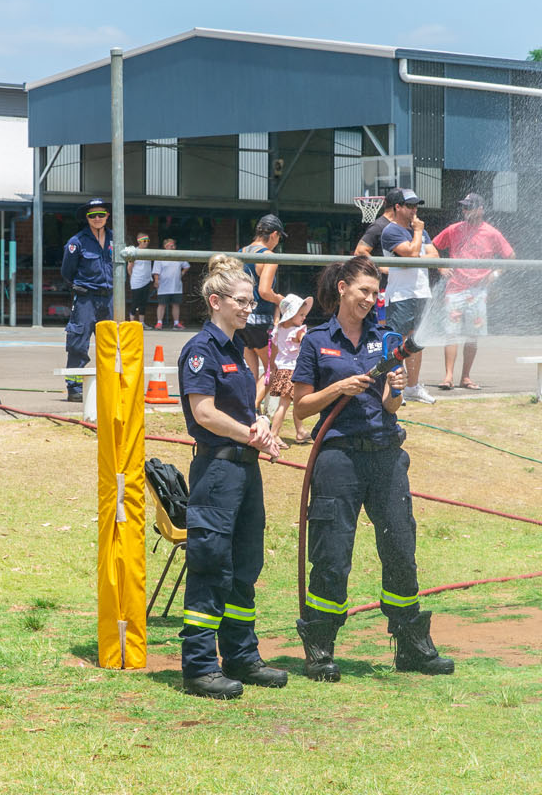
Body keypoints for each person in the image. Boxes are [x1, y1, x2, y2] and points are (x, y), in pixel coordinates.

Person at [292, 255, 454, 681]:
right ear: (343, 287)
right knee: (331, 553)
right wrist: (339, 387)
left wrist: (395, 389)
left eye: (375, 293)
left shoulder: (385, 339)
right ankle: (320, 648)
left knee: (400, 547)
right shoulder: (316, 341)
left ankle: (411, 646)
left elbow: (390, 405)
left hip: (385, 455)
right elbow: (301, 407)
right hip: (338, 459)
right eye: (364, 290)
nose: (370, 299)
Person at [176, 255, 288, 699]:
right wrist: (250, 434)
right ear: (216, 301)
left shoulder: (236, 353)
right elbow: (204, 413)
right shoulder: (201, 351)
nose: (248, 308)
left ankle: (241, 656)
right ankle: (200, 667)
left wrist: (259, 423)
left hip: (245, 469)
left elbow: (239, 410)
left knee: (245, 564)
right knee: (211, 564)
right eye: (241, 301)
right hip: (217, 471)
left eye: (250, 301)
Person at [431, 193, 514, 391]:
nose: (465, 211)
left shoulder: (491, 233)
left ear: (480, 209)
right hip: (455, 288)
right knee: (451, 333)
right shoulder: (454, 229)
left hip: (478, 290)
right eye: (464, 207)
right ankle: (448, 376)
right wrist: (440, 267)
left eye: (469, 207)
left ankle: (465, 377)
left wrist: (495, 274)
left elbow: (510, 256)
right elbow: (432, 246)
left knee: (472, 335)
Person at [378, 187, 437, 403]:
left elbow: (435, 256)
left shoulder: (420, 231)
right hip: (400, 295)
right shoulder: (391, 231)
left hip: (422, 292)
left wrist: (415, 253)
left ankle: (412, 386)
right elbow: (412, 254)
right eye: (410, 206)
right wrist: (418, 233)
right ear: (398, 207)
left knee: (416, 341)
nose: (414, 210)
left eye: (416, 206)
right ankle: (395, 388)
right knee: (397, 341)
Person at [59, 198, 114, 403]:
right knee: (78, 342)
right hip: (86, 298)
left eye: (101, 214)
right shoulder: (77, 242)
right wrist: (79, 288)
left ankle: (108, 385)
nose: (97, 218)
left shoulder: (116, 240)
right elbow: (67, 271)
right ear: (86, 218)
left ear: (107, 216)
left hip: (110, 298)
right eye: (92, 215)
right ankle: (74, 388)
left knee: (110, 344)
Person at [239, 214, 287, 397]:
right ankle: (253, 407)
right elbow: (265, 291)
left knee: (250, 371)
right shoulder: (269, 257)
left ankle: (246, 407)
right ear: (274, 234)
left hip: (242, 318)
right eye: (279, 237)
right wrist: (280, 300)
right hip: (260, 320)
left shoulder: (241, 252)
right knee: (274, 369)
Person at [264, 293, 313, 443]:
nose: (304, 317)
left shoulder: (279, 329)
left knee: (296, 401)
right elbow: (307, 344)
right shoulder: (299, 331)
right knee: (284, 405)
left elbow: (275, 348)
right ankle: (274, 434)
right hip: (293, 370)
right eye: (301, 314)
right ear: (292, 315)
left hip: (282, 369)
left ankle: (300, 431)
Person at [153, 238, 190, 329]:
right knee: (161, 304)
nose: (173, 247)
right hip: (163, 286)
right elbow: (156, 271)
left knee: (176, 304)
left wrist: (182, 273)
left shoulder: (178, 256)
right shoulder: (160, 257)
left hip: (176, 286)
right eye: (171, 246)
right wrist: (156, 281)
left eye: (174, 245)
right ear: (165, 246)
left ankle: (176, 323)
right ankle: (159, 323)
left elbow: (187, 266)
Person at [126, 232, 155, 327]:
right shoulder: (134, 251)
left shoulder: (148, 252)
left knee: (143, 302)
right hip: (137, 281)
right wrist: (133, 277)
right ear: (139, 241)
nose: (146, 242)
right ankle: (132, 323)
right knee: (135, 302)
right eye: (144, 241)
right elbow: (129, 267)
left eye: (147, 240)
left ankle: (142, 323)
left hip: (146, 280)